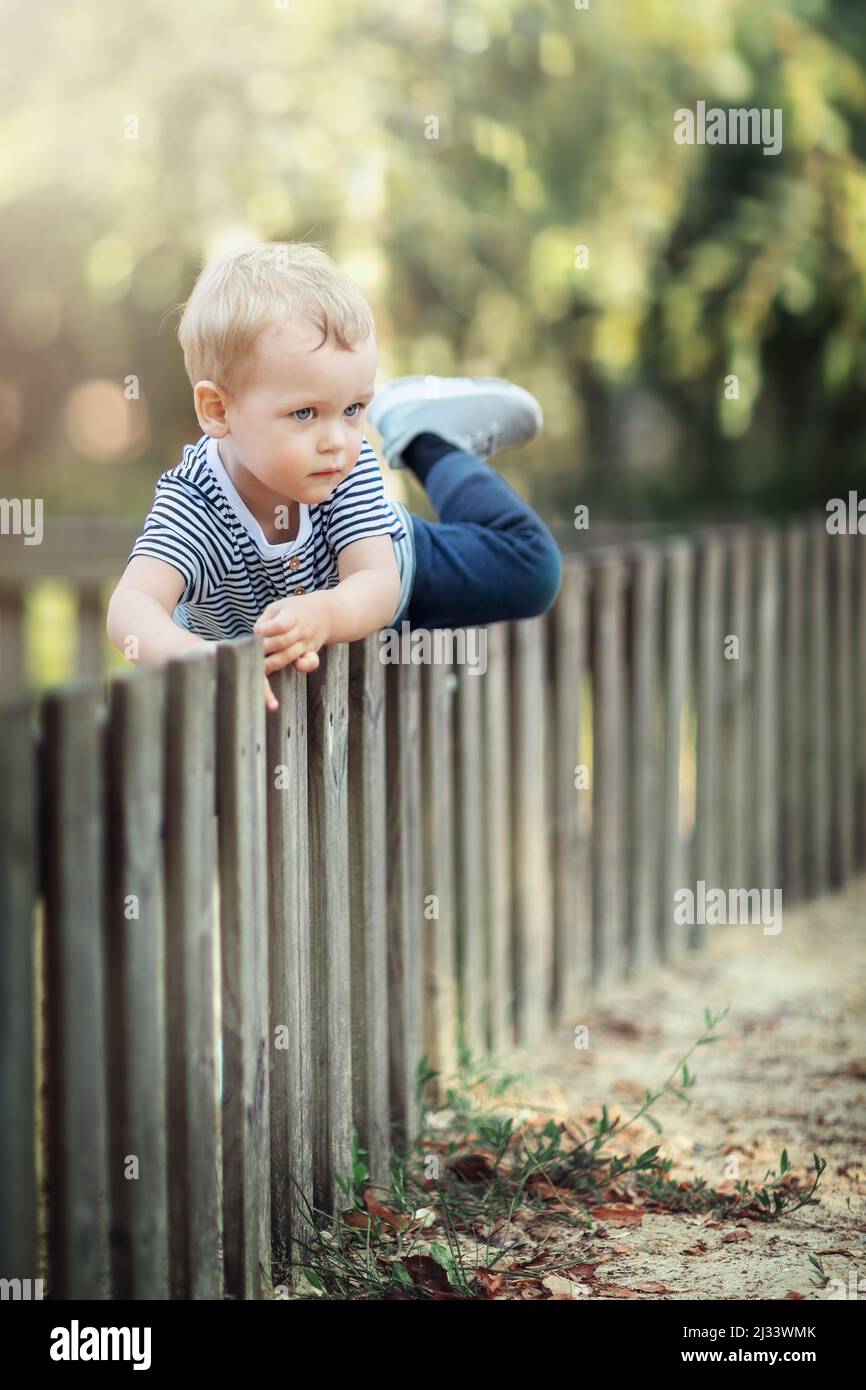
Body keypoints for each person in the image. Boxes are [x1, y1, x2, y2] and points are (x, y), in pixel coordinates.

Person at [106, 241, 563, 708]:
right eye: (305, 413)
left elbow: (376, 583)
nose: (338, 440)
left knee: (533, 571)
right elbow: (131, 607)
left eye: (352, 409)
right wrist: (196, 659)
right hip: (293, 651)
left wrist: (326, 612)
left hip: (392, 569)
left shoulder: (345, 462)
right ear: (218, 409)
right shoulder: (194, 501)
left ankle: (425, 438)